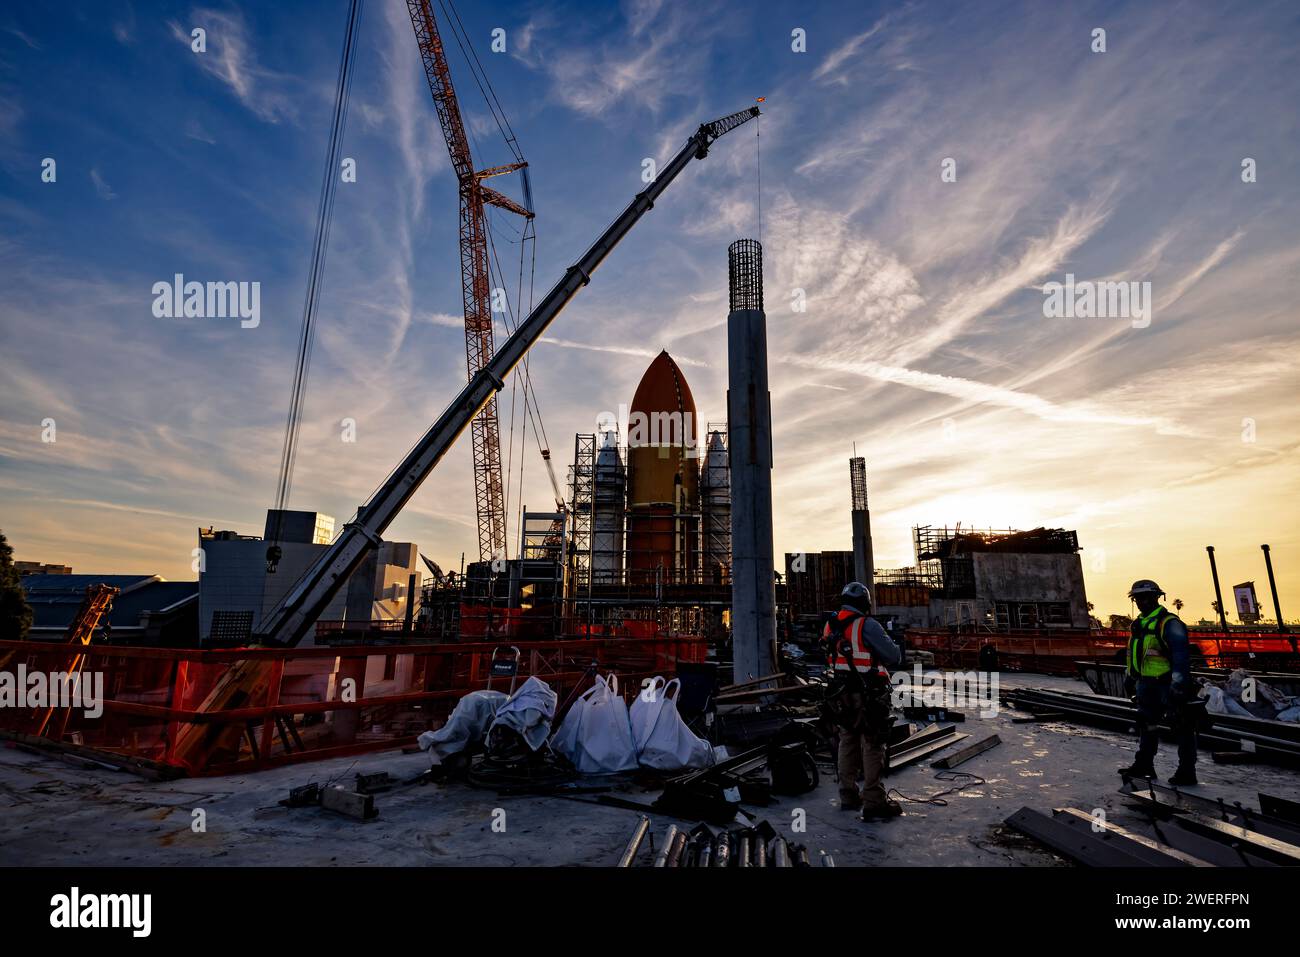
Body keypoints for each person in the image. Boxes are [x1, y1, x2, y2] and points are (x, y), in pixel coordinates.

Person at [822, 581, 903, 820]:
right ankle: (874, 802)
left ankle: (848, 796)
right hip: (868, 694)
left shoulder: (830, 625)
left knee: (847, 740)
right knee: (872, 742)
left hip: (841, 694)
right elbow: (893, 656)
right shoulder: (867, 625)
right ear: (865, 603)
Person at [1120, 579, 1198, 785]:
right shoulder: (1138, 625)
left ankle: (1187, 771)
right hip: (1146, 684)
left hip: (1167, 684)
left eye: (1145, 597)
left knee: (1181, 727)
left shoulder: (1169, 623)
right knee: (1148, 725)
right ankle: (1145, 765)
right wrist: (1130, 677)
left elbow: (1181, 657)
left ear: (1156, 597)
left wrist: (1178, 685)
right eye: (1137, 598)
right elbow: (1134, 654)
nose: (1141, 602)